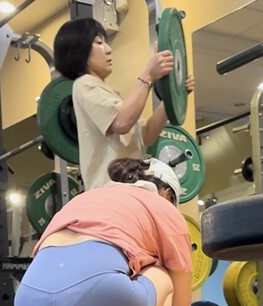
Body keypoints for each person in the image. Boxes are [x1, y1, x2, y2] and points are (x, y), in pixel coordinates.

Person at [14, 157, 193, 306]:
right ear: (168, 195)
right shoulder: (164, 209)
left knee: (89, 284)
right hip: (98, 298)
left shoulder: (84, 198)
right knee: (161, 276)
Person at [53, 17, 195, 189]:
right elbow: (122, 122)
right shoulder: (84, 85)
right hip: (109, 195)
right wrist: (148, 75)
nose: (108, 50)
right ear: (78, 50)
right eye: (99, 43)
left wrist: (174, 95)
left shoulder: (108, 94)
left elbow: (147, 134)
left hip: (131, 191)